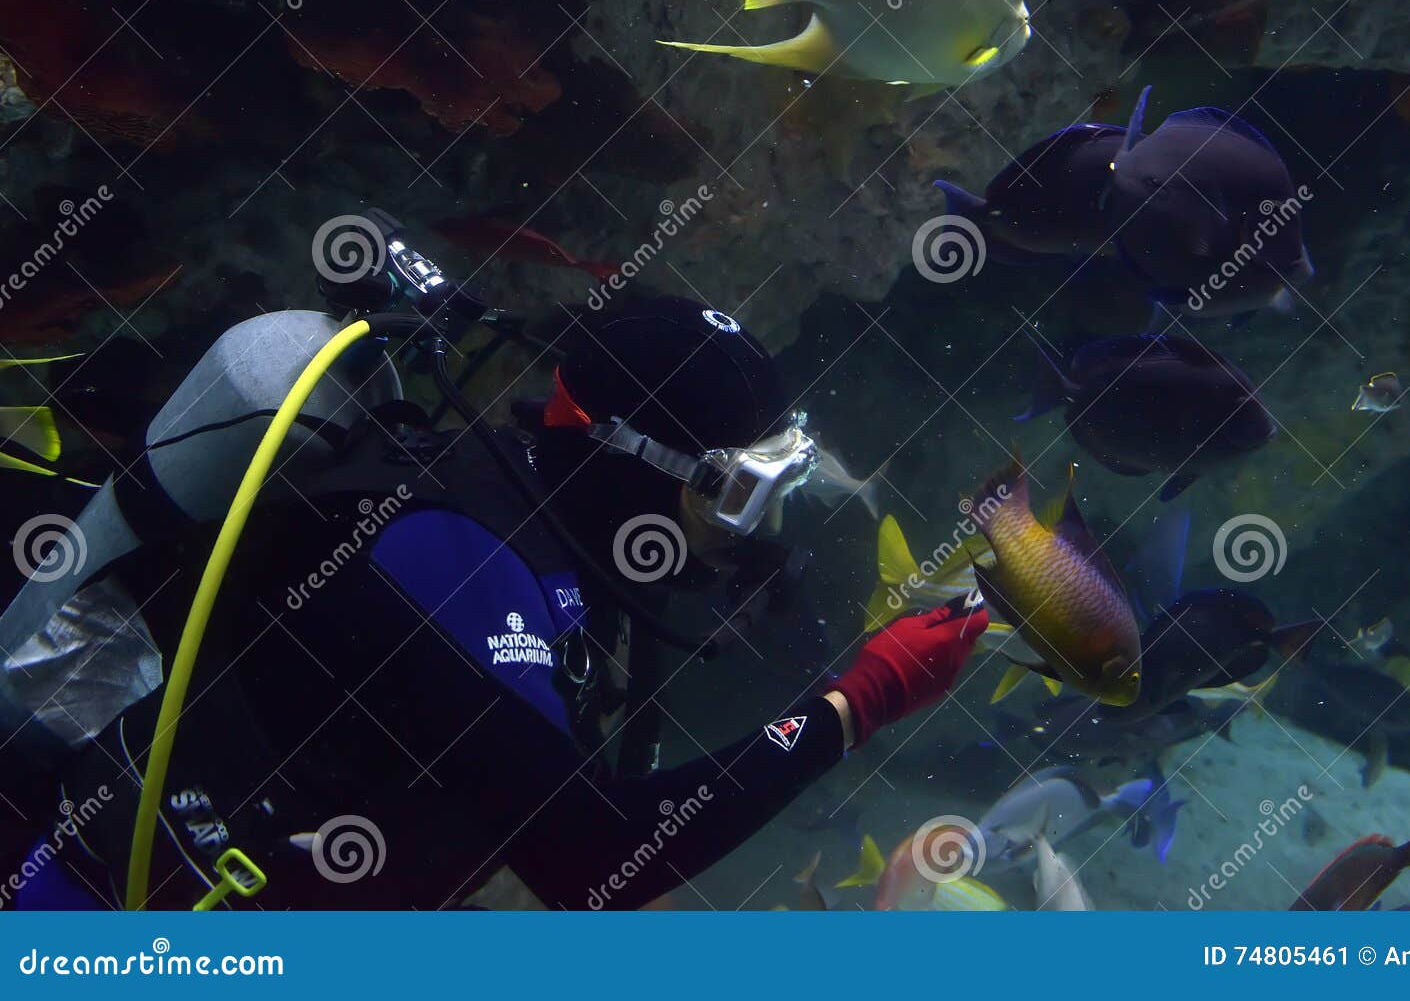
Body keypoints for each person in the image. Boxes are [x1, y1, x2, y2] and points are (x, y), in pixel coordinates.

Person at [1, 296, 986, 910]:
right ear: (631, 465)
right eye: (739, 491)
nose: (751, 529)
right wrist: (862, 699)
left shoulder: (534, 519)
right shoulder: (455, 560)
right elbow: (590, 854)